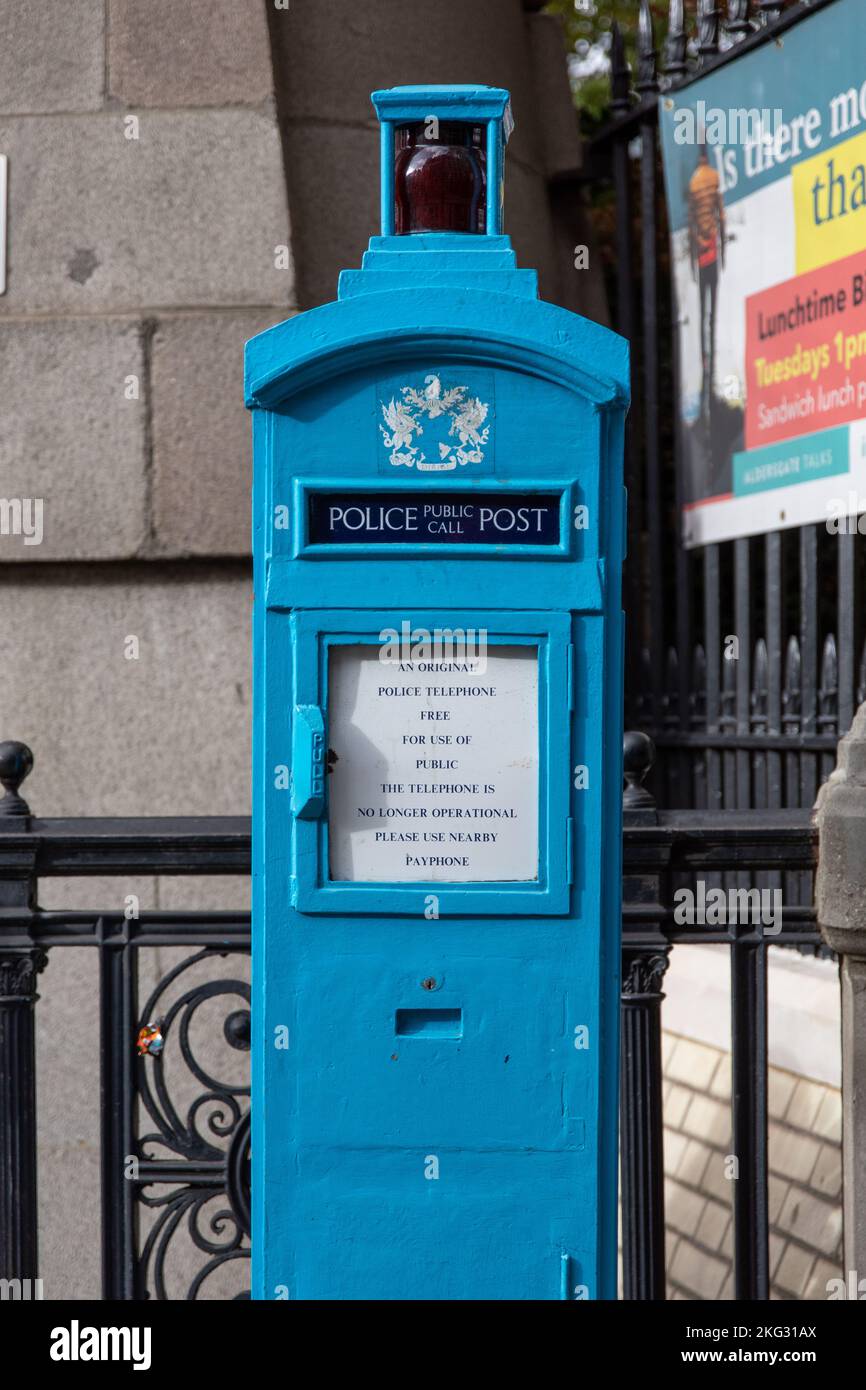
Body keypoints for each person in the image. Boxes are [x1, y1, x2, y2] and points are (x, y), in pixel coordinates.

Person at [688, 145, 726, 421]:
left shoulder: (695, 181)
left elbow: (693, 220)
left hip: (702, 251)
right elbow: (720, 216)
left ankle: (708, 371)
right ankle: (708, 373)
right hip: (710, 249)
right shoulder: (712, 178)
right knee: (710, 314)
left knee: (705, 313)